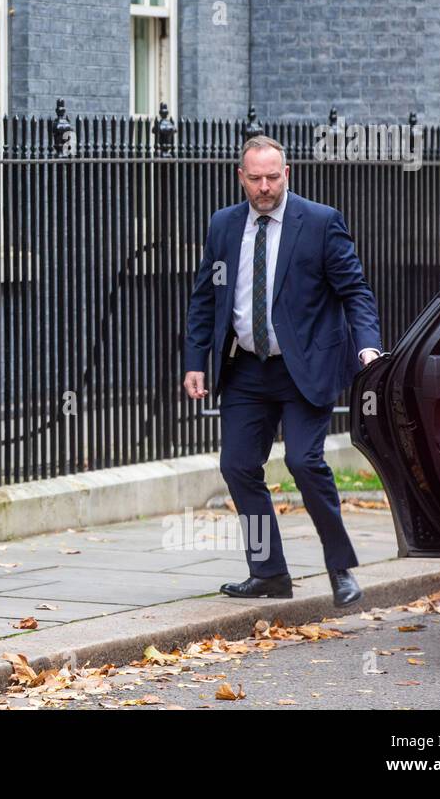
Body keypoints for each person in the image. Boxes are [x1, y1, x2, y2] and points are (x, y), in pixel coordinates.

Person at [182, 135, 382, 607]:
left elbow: (355, 291)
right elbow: (204, 298)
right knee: (236, 465)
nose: (265, 187)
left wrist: (369, 347)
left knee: (303, 462)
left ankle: (341, 569)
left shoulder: (319, 222)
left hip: (304, 367)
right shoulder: (224, 226)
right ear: (241, 177)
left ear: (286, 173)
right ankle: (268, 571)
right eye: (256, 179)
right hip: (247, 369)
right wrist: (195, 361)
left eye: (273, 177)